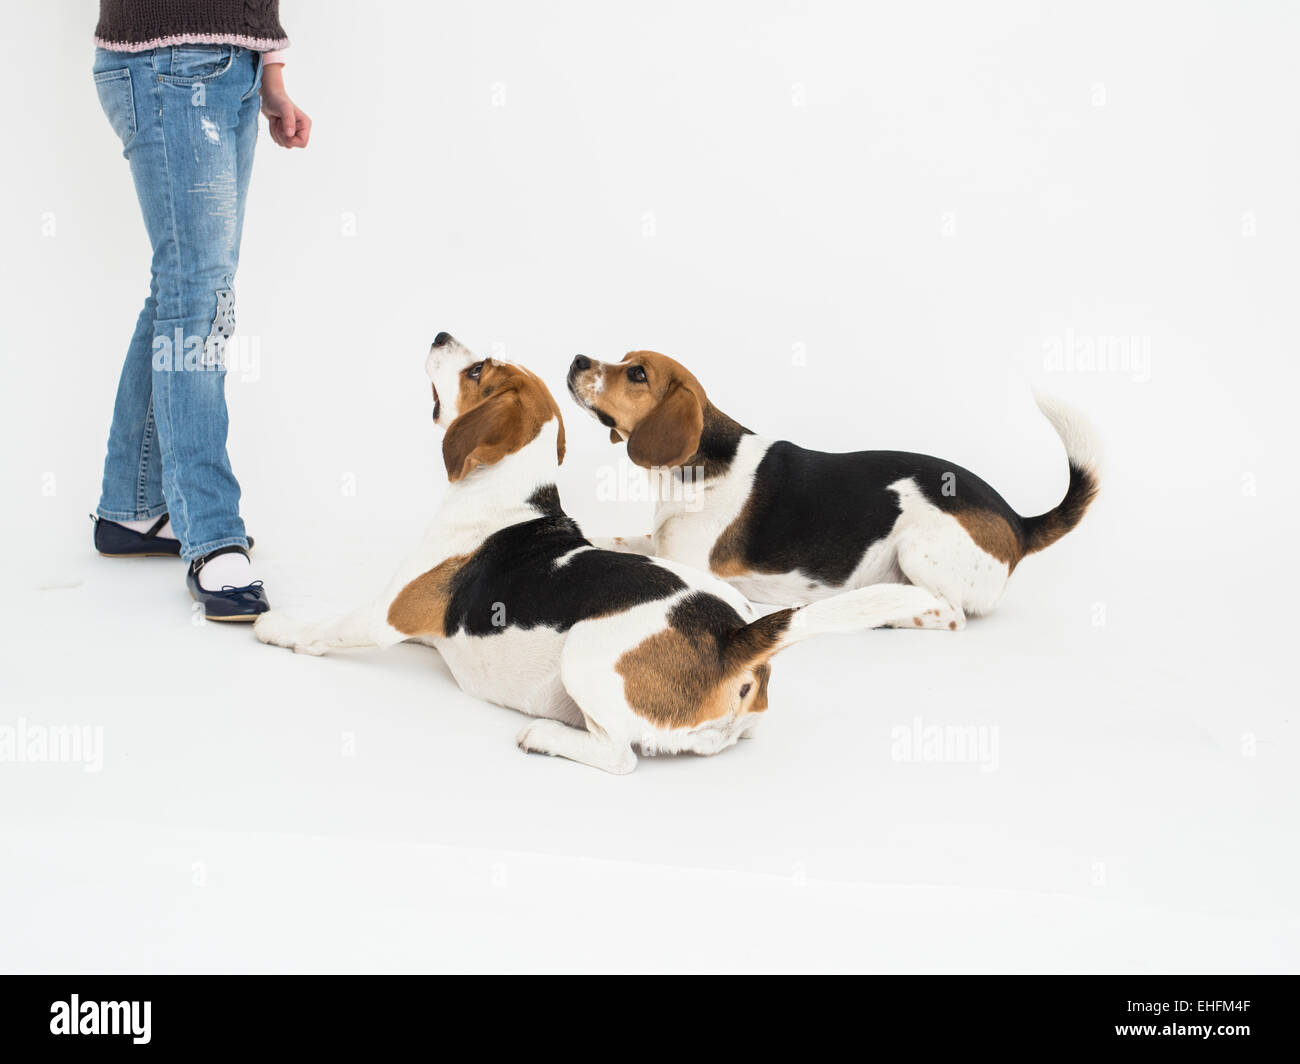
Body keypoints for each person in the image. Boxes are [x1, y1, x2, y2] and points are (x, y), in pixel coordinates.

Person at [89, 0, 310, 621]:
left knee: (184, 290)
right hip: (168, 64)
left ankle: (131, 510)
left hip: (224, 65)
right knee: (196, 296)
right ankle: (211, 533)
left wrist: (268, 72)